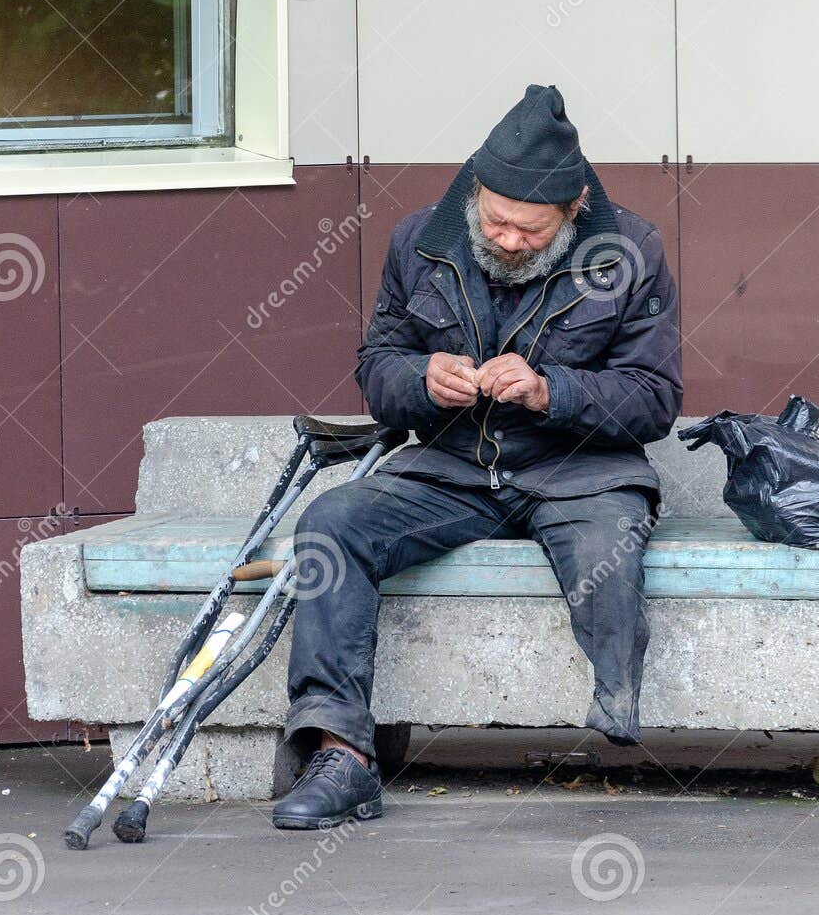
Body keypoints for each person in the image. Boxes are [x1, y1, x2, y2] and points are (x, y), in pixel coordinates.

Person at [272, 84, 682, 829]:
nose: (509, 239)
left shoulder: (631, 253)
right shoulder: (420, 241)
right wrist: (419, 381)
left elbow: (653, 400)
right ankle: (341, 754)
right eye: (496, 220)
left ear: (574, 207)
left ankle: (616, 713)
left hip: (581, 474)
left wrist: (548, 391)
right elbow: (379, 366)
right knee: (331, 526)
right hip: (453, 467)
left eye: (531, 229)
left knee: (610, 559)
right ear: (476, 187)